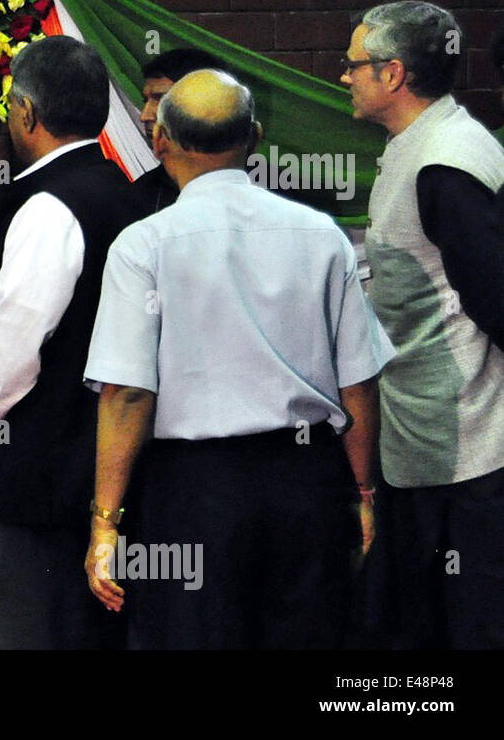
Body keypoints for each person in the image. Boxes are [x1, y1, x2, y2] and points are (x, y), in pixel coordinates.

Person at [82, 69, 395, 649]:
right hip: (307, 485)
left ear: (160, 141)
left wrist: (106, 522)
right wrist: (365, 497)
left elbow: (126, 394)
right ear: (254, 137)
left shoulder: (142, 245)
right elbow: (359, 383)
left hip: (193, 494)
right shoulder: (321, 235)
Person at [0, 36, 145, 649]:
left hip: (43, 470)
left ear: (27, 113)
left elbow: (15, 340)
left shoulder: (49, 206)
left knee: (32, 627)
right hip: (121, 464)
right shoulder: (127, 193)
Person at [342, 1, 504, 648]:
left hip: (466, 462)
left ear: (393, 74)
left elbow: (496, 298)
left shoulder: (445, 162)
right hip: (425, 454)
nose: (343, 76)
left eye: (353, 64)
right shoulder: (420, 146)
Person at [131, 48, 226, 213]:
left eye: (161, 100)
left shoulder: (268, 187)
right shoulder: (139, 195)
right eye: (145, 100)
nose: (144, 116)